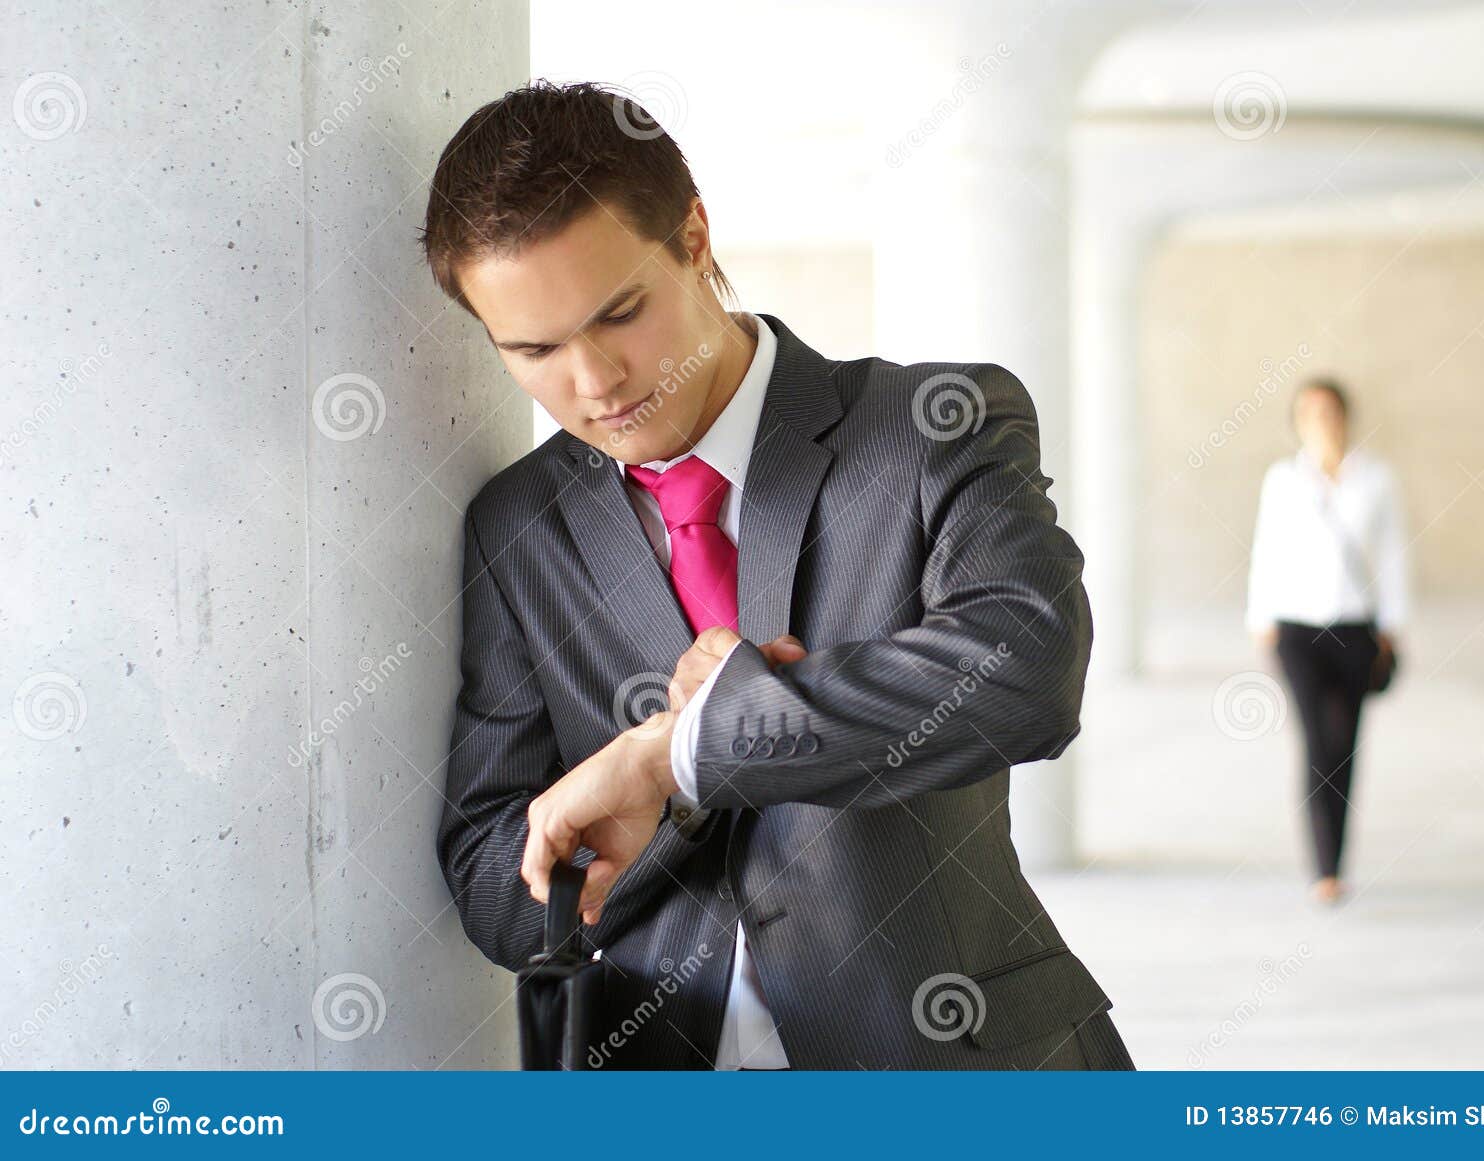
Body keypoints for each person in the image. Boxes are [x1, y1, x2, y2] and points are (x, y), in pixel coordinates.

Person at [421, 81, 1132, 1069]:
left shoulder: (933, 425)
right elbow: (500, 902)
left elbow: (1028, 672)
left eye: (620, 313)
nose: (593, 384)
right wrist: (663, 793)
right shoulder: (517, 529)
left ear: (695, 237)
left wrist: (681, 751)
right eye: (533, 350)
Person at [1245, 378, 1409, 906]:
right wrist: (1260, 618)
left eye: (1327, 409)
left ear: (1345, 414)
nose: (1318, 418)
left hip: (1356, 628)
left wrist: (1392, 623)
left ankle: (1335, 860)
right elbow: (1266, 548)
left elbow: (1392, 554)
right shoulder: (1284, 480)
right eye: (1307, 411)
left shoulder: (1375, 479)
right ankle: (1325, 871)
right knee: (1318, 743)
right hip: (1296, 629)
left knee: (1344, 743)